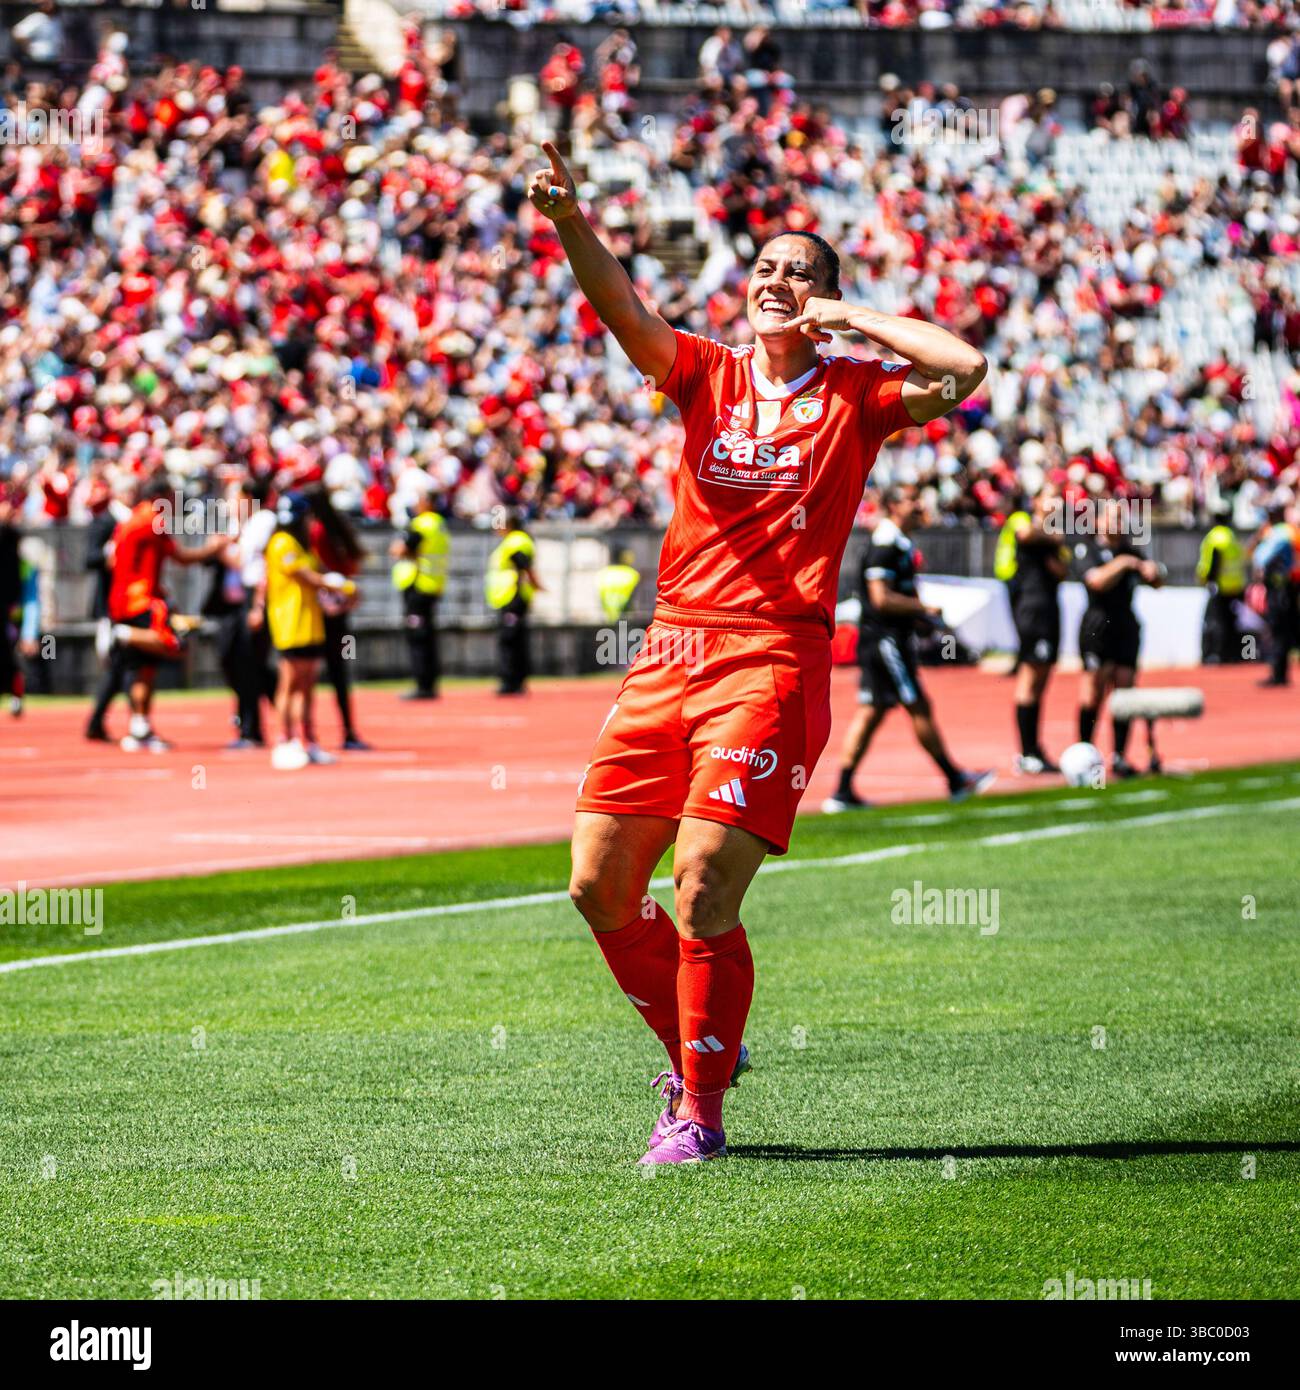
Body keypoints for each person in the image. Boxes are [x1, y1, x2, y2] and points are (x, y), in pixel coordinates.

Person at [529, 141, 987, 1164]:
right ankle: (700, 1050)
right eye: (767, 269)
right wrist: (567, 220)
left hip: (773, 660)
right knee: (597, 885)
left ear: (824, 296)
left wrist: (850, 319)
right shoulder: (706, 372)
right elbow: (626, 315)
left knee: (699, 883)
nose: (777, 282)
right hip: (669, 654)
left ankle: (696, 1110)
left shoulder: (857, 393)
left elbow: (963, 368)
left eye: (801, 272)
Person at [822, 483, 996, 811]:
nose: (918, 504)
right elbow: (880, 598)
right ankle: (955, 780)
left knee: (872, 712)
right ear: (892, 506)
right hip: (886, 642)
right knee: (917, 705)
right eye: (910, 499)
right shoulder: (885, 545)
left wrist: (922, 620)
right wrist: (924, 609)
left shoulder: (898, 544)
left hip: (885, 639)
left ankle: (842, 791)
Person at [99, 475, 226, 752]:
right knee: (173, 642)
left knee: (143, 669)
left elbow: (114, 561)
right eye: (170, 497)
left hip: (125, 600)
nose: (173, 503)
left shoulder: (131, 520)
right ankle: (123, 635)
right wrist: (212, 549)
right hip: (141, 601)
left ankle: (139, 728)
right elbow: (179, 556)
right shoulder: (152, 520)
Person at [262, 491, 353, 771]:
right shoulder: (282, 543)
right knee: (289, 683)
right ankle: (283, 740)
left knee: (307, 685)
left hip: (309, 622)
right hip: (290, 622)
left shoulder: (304, 546)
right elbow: (306, 577)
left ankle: (307, 740)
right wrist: (342, 587)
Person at [1075, 499, 1165, 779]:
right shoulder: (1087, 548)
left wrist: (1153, 571)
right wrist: (1125, 564)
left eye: (1120, 518)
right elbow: (1096, 581)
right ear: (1098, 521)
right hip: (1097, 626)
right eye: (1111, 518)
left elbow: (1157, 582)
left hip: (1125, 626)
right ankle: (1086, 755)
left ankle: (1119, 756)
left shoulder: (1130, 550)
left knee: (1124, 692)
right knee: (1093, 691)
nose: (1117, 523)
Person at [1004, 486, 1069, 774]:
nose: (1055, 502)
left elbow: (1062, 570)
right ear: (1036, 501)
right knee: (1030, 677)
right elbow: (1026, 534)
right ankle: (1027, 751)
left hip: (1049, 609)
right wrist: (1053, 537)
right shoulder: (1023, 521)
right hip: (1032, 608)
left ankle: (1034, 747)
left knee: (1043, 677)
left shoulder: (1054, 536)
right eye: (1049, 497)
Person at [308, 486, 369, 747]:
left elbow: (315, 566)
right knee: (340, 670)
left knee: (307, 671)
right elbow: (352, 563)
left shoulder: (316, 532)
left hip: (320, 608)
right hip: (340, 610)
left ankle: (308, 734)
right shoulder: (339, 526)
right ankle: (349, 731)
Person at [389, 492, 449, 702]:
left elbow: (399, 550)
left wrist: (400, 546)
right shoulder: (440, 524)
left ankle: (422, 684)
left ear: (428, 503)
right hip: (433, 584)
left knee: (418, 638)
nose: (415, 504)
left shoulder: (423, 524)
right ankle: (429, 683)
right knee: (428, 637)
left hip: (418, 585)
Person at [485, 507, 539, 696]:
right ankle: (514, 681)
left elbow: (523, 565)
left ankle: (511, 682)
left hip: (512, 596)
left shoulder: (515, 541)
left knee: (510, 640)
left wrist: (535, 583)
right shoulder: (514, 541)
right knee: (513, 640)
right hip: (509, 596)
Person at [1251, 504, 1297, 687]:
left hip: (1280, 589)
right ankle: (1280, 672)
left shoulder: (1278, 533)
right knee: (1283, 630)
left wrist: (1260, 538)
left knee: (1278, 630)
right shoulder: (1290, 531)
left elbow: (1260, 557)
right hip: (1288, 587)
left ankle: (1278, 674)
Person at [1196, 520, 1247, 665]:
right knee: (1232, 622)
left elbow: (1212, 563)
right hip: (1235, 586)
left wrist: (1207, 579)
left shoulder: (1215, 537)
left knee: (1216, 622)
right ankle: (1232, 654)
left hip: (1220, 587)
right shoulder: (1232, 536)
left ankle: (1216, 654)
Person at [595, 546, 640, 624]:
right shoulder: (632, 574)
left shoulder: (602, 573)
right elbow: (635, 599)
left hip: (607, 619)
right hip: (626, 619)